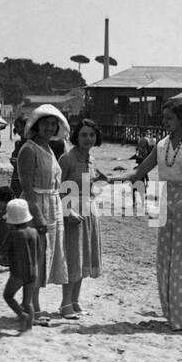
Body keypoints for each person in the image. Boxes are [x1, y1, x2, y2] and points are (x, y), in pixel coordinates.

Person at [110, 100, 182, 337]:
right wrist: (108, 178)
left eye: (169, 117)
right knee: (166, 259)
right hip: (167, 199)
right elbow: (138, 172)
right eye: (163, 117)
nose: (164, 121)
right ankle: (174, 314)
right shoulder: (162, 144)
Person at [16, 105, 70, 325]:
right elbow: (27, 186)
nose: (49, 127)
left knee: (45, 256)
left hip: (52, 204)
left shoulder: (49, 149)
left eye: (53, 123)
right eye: (46, 123)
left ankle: (32, 304)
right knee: (35, 258)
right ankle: (31, 307)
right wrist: (37, 216)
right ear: (36, 125)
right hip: (36, 205)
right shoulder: (29, 149)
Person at [59, 119, 107, 319]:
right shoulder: (67, 159)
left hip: (89, 210)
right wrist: (68, 211)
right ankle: (65, 304)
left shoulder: (92, 159)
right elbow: (58, 189)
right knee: (73, 257)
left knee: (83, 256)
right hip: (72, 212)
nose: (88, 139)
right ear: (76, 137)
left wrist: (98, 180)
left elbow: (90, 185)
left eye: (92, 135)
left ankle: (76, 301)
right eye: (84, 135)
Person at [1, 198, 41, 331]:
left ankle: (22, 315)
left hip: (18, 273)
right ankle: (28, 328)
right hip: (33, 272)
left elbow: (3, 250)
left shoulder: (14, 234)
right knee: (27, 302)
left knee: (8, 296)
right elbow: (40, 251)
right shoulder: (34, 232)